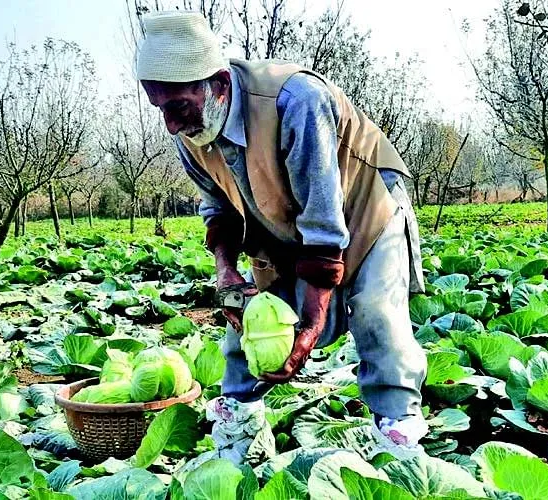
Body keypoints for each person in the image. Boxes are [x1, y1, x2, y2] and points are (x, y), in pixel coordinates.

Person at [136, 10, 428, 463]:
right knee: (249, 317)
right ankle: (239, 428)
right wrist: (226, 272)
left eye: (178, 109)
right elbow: (218, 208)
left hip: (365, 204)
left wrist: (312, 320)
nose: (172, 126)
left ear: (216, 82)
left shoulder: (296, 100)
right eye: (162, 111)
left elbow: (325, 223)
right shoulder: (190, 132)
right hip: (279, 220)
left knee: (377, 312)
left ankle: (397, 435)